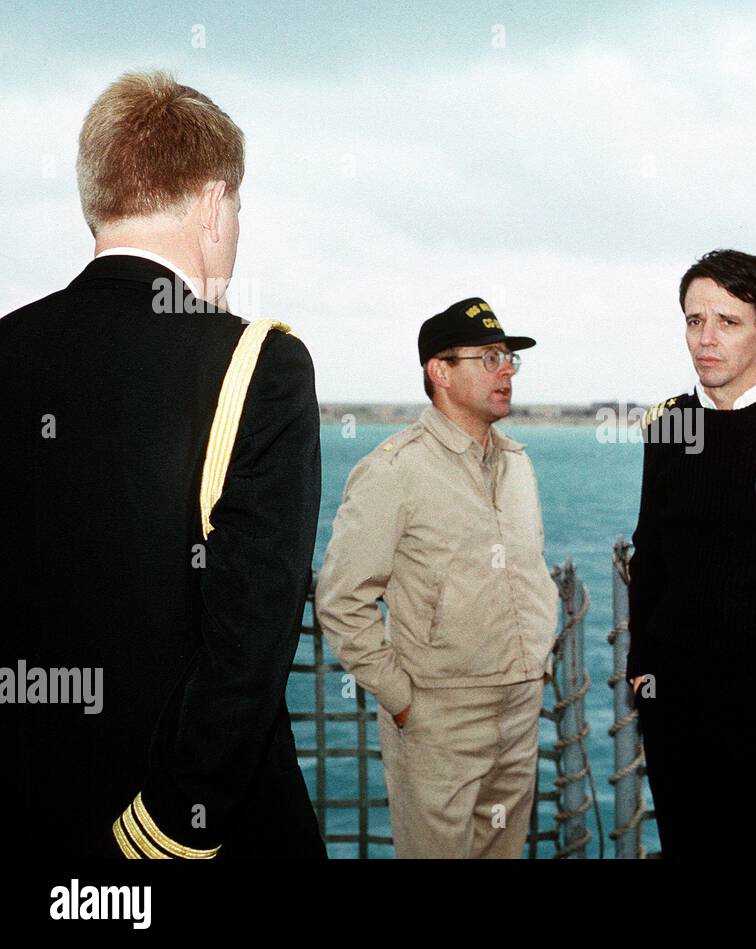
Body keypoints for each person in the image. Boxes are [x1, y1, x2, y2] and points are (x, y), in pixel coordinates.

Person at [0, 71, 324, 858]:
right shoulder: (259, 365)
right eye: (238, 207)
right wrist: (168, 827)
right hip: (193, 830)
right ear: (213, 203)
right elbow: (249, 647)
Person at [315, 298, 555, 858]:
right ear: (440, 371)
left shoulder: (517, 462)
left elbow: (529, 571)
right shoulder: (394, 471)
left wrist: (534, 663)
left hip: (519, 706)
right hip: (438, 715)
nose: (506, 371)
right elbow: (342, 599)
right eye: (490, 357)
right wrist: (402, 699)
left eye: (510, 359)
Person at [627, 249, 756, 858]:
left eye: (727, 322)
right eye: (694, 321)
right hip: (680, 701)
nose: (706, 339)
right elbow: (651, 550)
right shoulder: (669, 426)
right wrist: (643, 664)